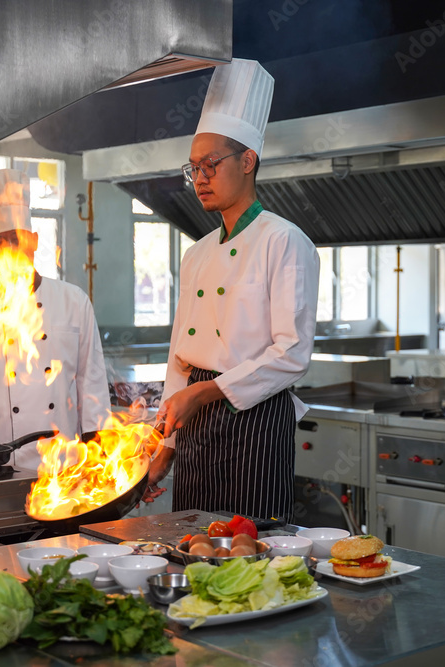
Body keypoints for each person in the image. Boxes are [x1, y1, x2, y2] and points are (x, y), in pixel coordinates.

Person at [142, 59, 321, 521]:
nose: (199, 177)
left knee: (250, 546)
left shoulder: (284, 241)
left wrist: (204, 395)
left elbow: (291, 353)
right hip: (196, 422)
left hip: (256, 419)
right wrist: (166, 447)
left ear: (247, 161)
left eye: (210, 165)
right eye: (193, 168)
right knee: (192, 540)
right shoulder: (197, 253)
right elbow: (180, 359)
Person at [0, 169, 110, 472]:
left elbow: (91, 385)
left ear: (35, 240)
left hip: (62, 469)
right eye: (1, 242)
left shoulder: (74, 301)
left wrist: (99, 456)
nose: (11, 250)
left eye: (18, 239)